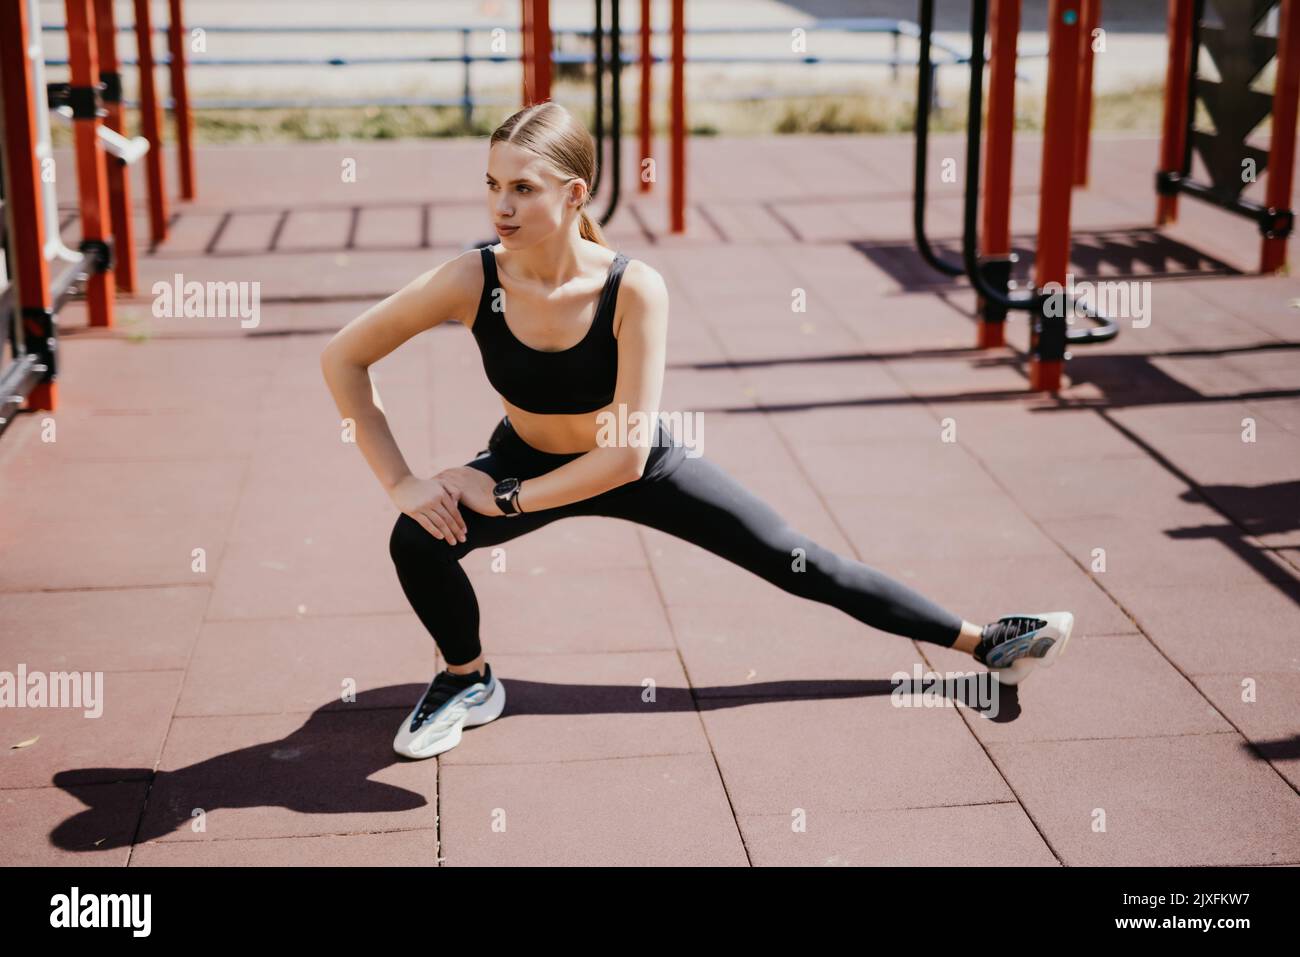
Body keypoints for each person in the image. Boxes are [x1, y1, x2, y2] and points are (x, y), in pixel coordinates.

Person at [320, 102, 1074, 760]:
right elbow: (344, 358)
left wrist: (507, 497)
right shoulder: (473, 279)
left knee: (794, 558)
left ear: (574, 192)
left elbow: (621, 457)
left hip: (636, 466)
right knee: (415, 535)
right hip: (528, 457)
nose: (501, 206)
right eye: (492, 185)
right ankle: (468, 678)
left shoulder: (631, 288)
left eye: (523, 187)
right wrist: (406, 482)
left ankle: (988, 642)